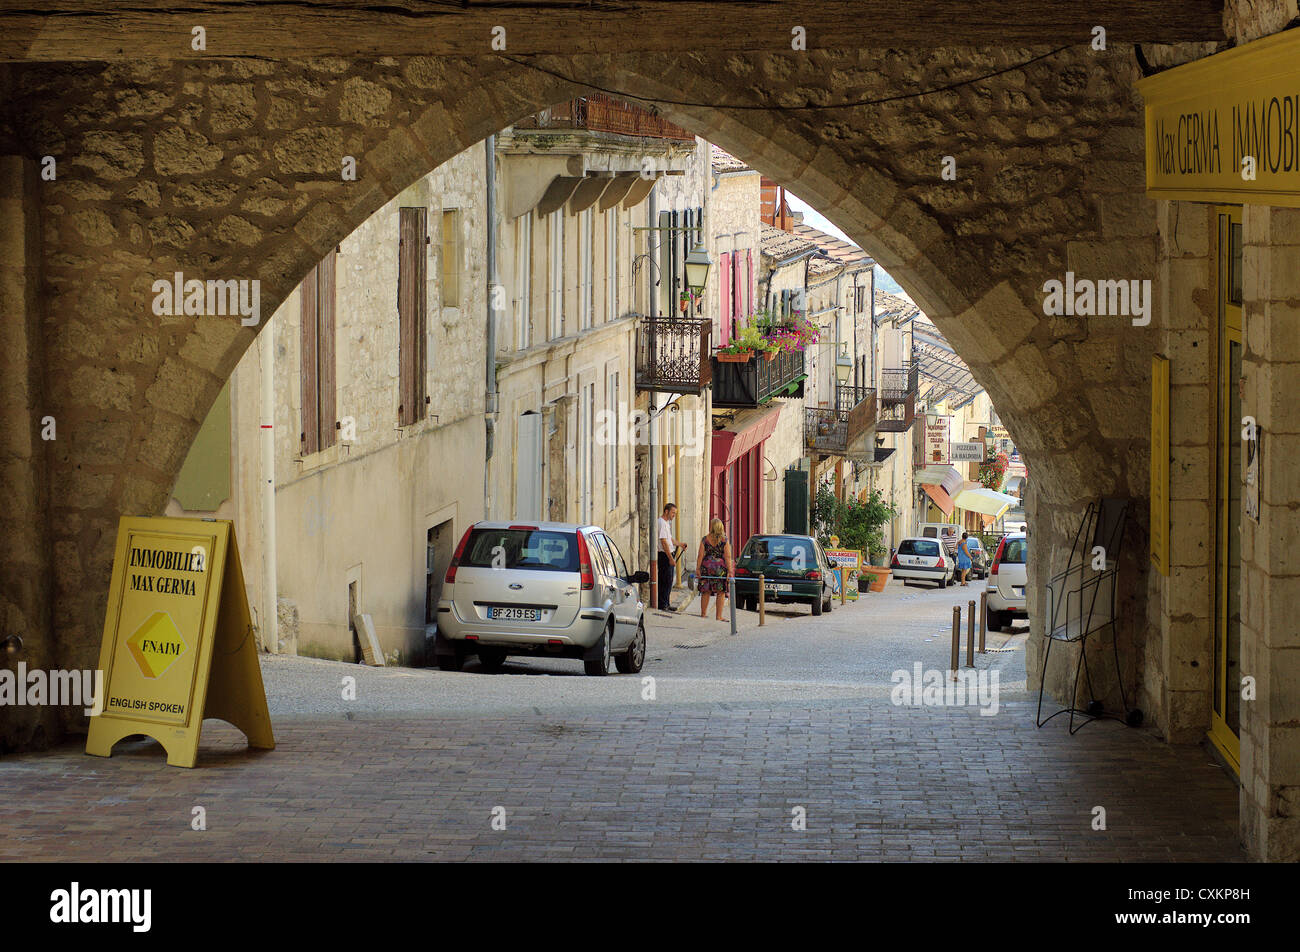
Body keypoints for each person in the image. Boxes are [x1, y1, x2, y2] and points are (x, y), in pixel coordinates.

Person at [696, 518, 734, 621]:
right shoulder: (724, 540)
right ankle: (718, 616)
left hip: (706, 567)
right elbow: (727, 557)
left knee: (706, 591)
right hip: (719, 569)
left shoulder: (705, 539)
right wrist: (730, 571)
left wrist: (698, 569)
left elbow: (700, 555)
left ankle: (703, 614)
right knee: (720, 592)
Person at [656, 503, 678, 611]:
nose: (674, 515)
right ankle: (662, 604)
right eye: (673, 512)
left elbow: (669, 539)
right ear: (666, 511)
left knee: (669, 581)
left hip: (668, 554)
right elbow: (664, 542)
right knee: (665, 580)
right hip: (664, 556)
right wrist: (670, 558)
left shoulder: (666, 523)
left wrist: (680, 544)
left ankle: (666, 603)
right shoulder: (661, 522)